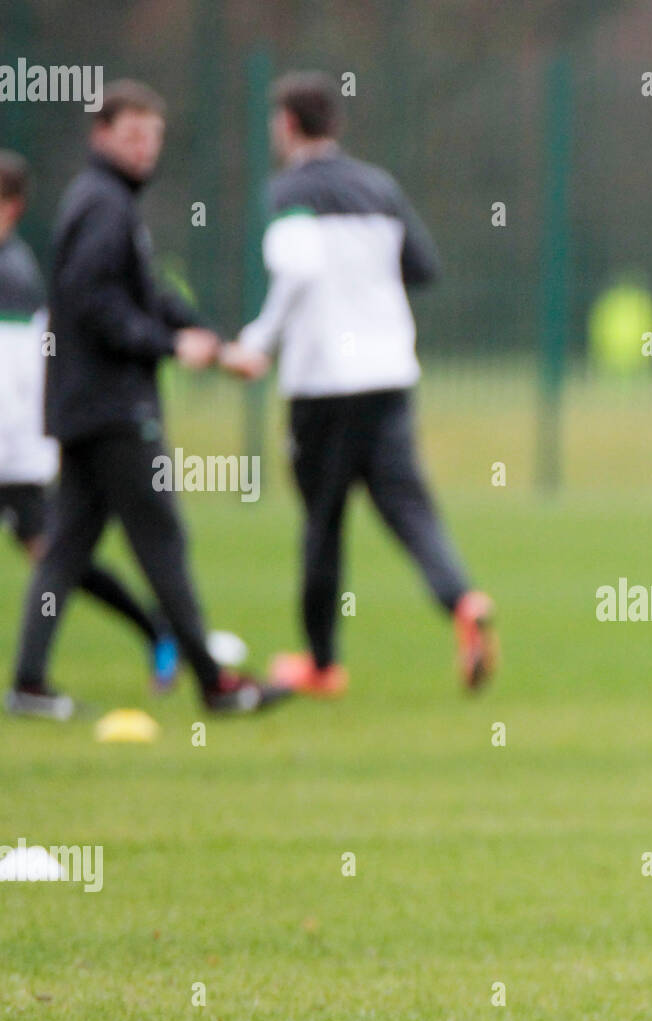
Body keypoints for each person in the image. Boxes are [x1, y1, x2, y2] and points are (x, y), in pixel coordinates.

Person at [6, 81, 286, 718]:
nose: (142, 149)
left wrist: (210, 345)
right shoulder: (104, 206)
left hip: (83, 406)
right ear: (100, 135)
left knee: (67, 545)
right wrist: (167, 345)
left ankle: (28, 684)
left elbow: (146, 293)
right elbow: (94, 304)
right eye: (130, 135)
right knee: (161, 541)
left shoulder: (106, 203)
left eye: (151, 137)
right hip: (113, 409)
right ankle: (216, 684)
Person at [221, 71, 497, 697]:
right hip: (389, 374)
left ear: (287, 124)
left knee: (323, 522)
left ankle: (322, 664)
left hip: (323, 385)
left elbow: (295, 271)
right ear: (335, 125)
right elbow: (422, 268)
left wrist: (257, 343)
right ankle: (462, 602)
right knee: (408, 507)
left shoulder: (287, 190)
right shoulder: (379, 187)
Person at [0, 149, 181, 693]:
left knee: (56, 555)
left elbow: (17, 381)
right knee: (57, 554)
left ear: (12, 206)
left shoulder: (13, 276)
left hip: (14, 448)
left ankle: (158, 631)